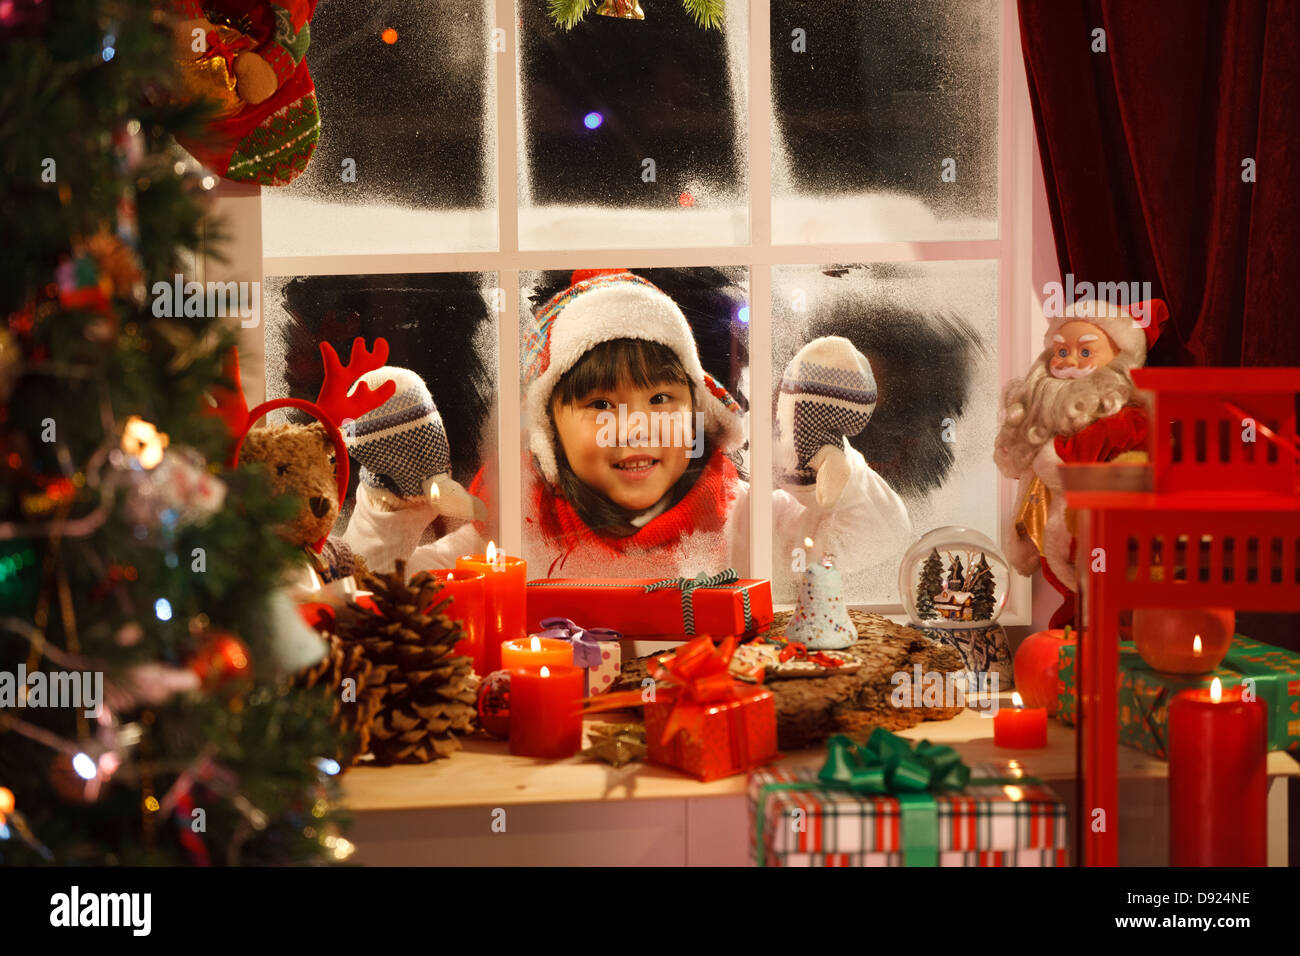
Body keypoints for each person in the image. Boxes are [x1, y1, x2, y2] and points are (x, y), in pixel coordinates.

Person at [343, 269, 911, 580]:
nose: (636, 428)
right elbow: (374, 589)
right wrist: (397, 507)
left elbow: (876, 539)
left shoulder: (737, 515)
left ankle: (803, 443)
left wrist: (813, 477)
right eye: (600, 406)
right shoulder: (518, 533)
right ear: (549, 433)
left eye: (661, 398)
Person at [995, 297, 1169, 627]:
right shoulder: (1048, 415)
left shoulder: (1127, 420)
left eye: (1086, 352)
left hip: (1110, 540)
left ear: (1118, 362)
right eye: (1061, 351)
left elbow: (1077, 459)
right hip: (1064, 541)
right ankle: (1073, 634)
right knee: (1075, 602)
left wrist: (1048, 450)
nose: (1069, 361)